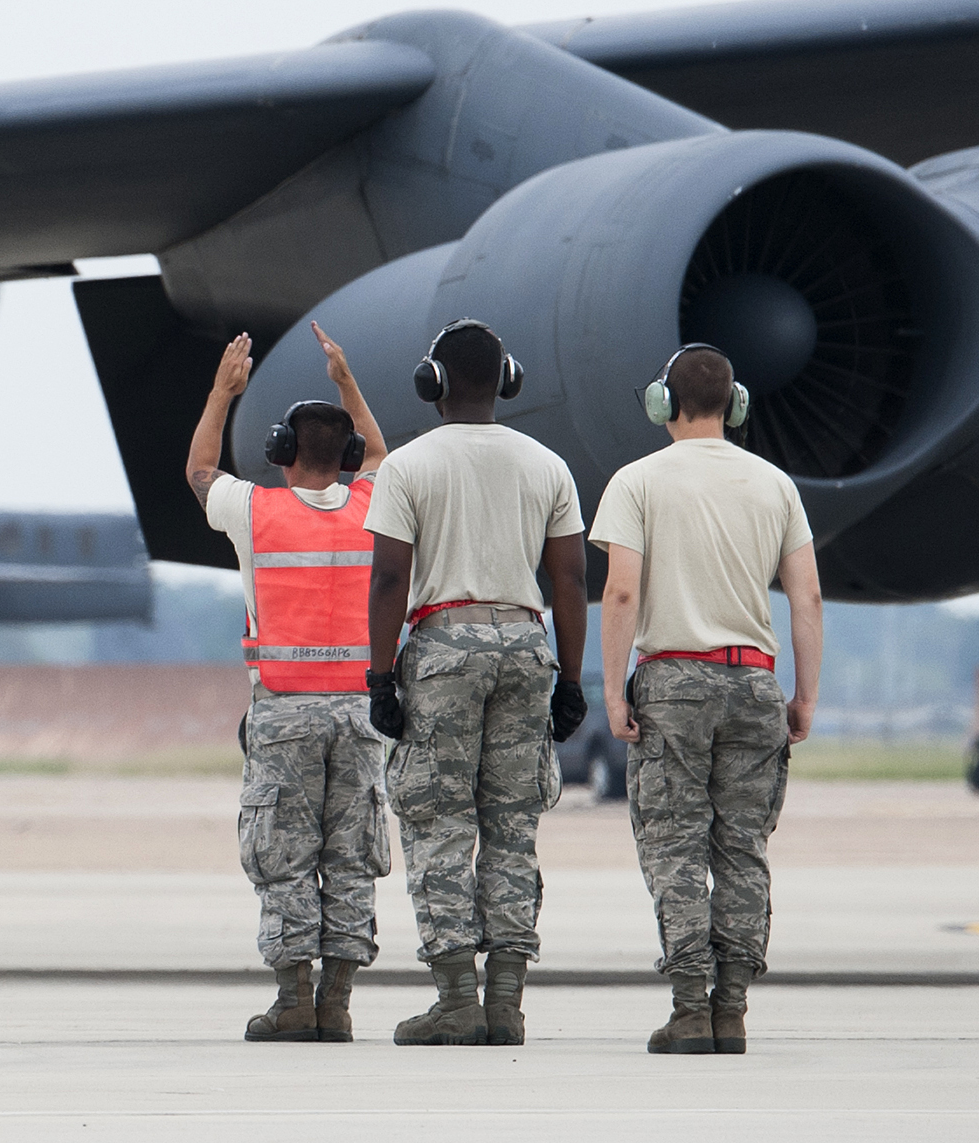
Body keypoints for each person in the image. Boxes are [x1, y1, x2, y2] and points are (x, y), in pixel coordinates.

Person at [591, 344, 822, 1055]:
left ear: (664, 402)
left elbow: (622, 591)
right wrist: (804, 695)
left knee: (675, 848)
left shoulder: (636, 481)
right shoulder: (775, 484)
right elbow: (806, 596)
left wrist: (612, 691)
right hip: (754, 679)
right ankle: (733, 1009)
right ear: (736, 403)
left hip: (673, 680)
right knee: (743, 850)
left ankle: (690, 1007)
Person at [365, 318, 589, 1047]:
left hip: (443, 641)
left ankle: (455, 998)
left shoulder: (407, 465)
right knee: (512, 828)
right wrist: (572, 679)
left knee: (437, 824)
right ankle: (506, 1002)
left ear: (432, 383)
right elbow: (571, 580)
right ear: (507, 379)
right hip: (526, 642)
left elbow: (391, 576)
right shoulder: (547, 464)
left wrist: (379, 677)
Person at [188, 322, 390, 1043]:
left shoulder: (257, 511)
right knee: (351, 853)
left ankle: (293, 999)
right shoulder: (373, 509)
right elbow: (384, 459)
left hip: (284, 710)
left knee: (283, 854)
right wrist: (348, 384)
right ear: (350, 458)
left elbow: (199, 472)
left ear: (280, 454)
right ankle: (336, 1003)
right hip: (361, 714)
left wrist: (220, 393)